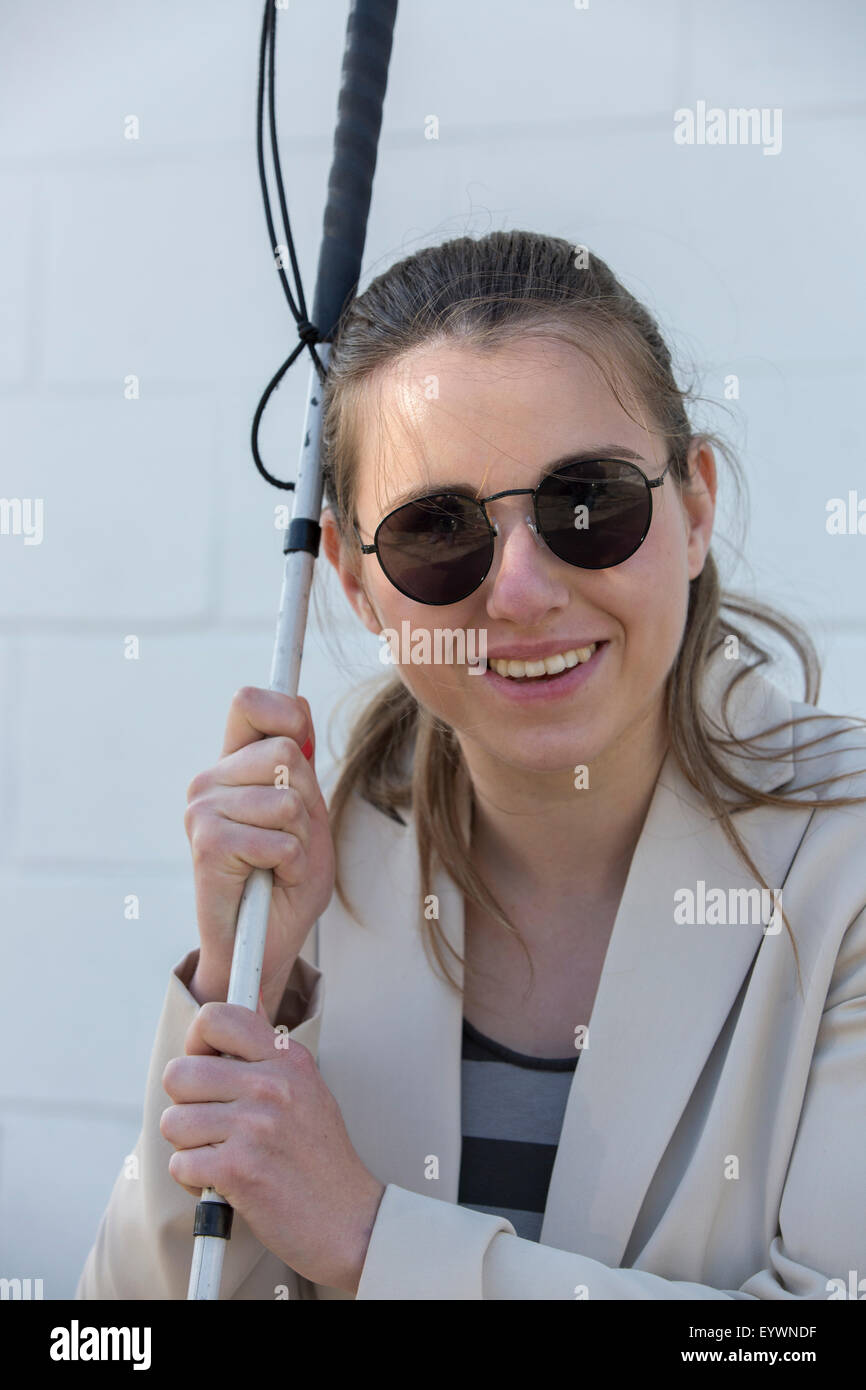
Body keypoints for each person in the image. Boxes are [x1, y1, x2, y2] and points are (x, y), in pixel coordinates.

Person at [77, 231, 866, 1300]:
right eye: (437, 532)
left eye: (586, 502)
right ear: (356, 588)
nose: (523, 589)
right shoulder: (316, 883)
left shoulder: (843, 858)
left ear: (691, 511)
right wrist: (245, 983)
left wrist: (369, 1244)